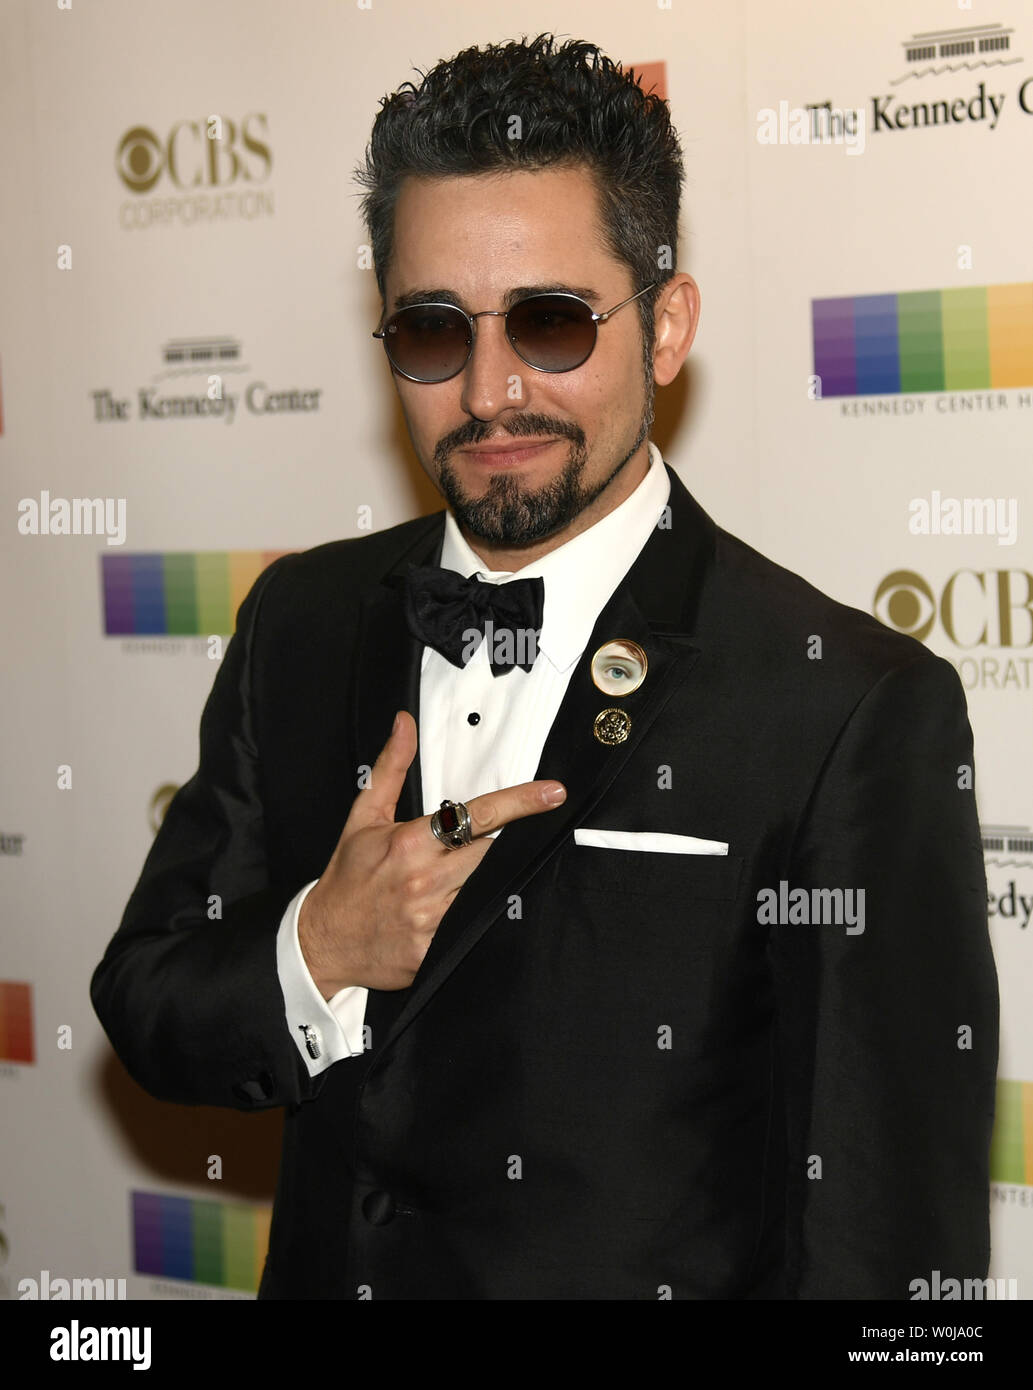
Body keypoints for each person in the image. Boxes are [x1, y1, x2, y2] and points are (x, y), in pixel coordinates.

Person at [91, 34, 998, 1300]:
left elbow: (884, 1250)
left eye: (552, 321)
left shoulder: (843, 705)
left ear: (666, 326)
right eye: (431, 329)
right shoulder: (302, 619)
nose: (490, 386)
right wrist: (318, 945)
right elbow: (145, 999)